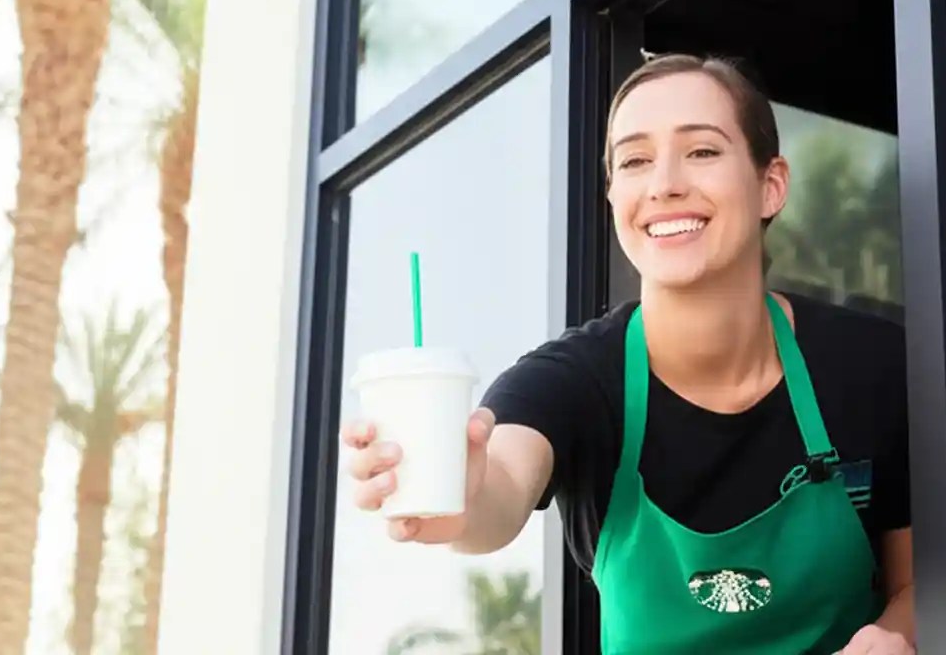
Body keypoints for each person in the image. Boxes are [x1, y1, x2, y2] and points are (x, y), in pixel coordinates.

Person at [343, 53, 916, 654]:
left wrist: (896, 635)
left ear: (770, 185)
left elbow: (925, 583)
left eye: (701, 151)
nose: (664, 184)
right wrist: (457, 494)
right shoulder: (574, 380)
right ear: (615, 197)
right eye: (635, 161)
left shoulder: (871, 366)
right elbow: (502, 483)